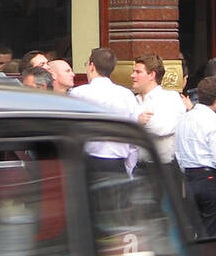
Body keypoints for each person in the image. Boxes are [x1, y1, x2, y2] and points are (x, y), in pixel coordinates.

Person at [175, 76, 216, 236]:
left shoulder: (184, 118)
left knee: (192, 230)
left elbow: (178, 152)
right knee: (215, 232)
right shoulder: (213, 122)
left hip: (189, 178)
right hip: (211, 179)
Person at [71, 47, 140, 176]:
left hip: (88, 162)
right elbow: (133, 135)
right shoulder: (127, 95)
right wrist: (129, 168)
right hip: (118, 164)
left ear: (91, 66)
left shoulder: (79, 93)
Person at [132, 54, 186, 163]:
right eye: (133, 71)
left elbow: (161, 128)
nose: (132, 75)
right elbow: (120, 130)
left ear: (151, 75)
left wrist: (133, 123)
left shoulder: (170, 98)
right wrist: (136, 121)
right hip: (136, 169)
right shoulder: (131, 100)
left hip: (162, 170)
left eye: (138, 72)